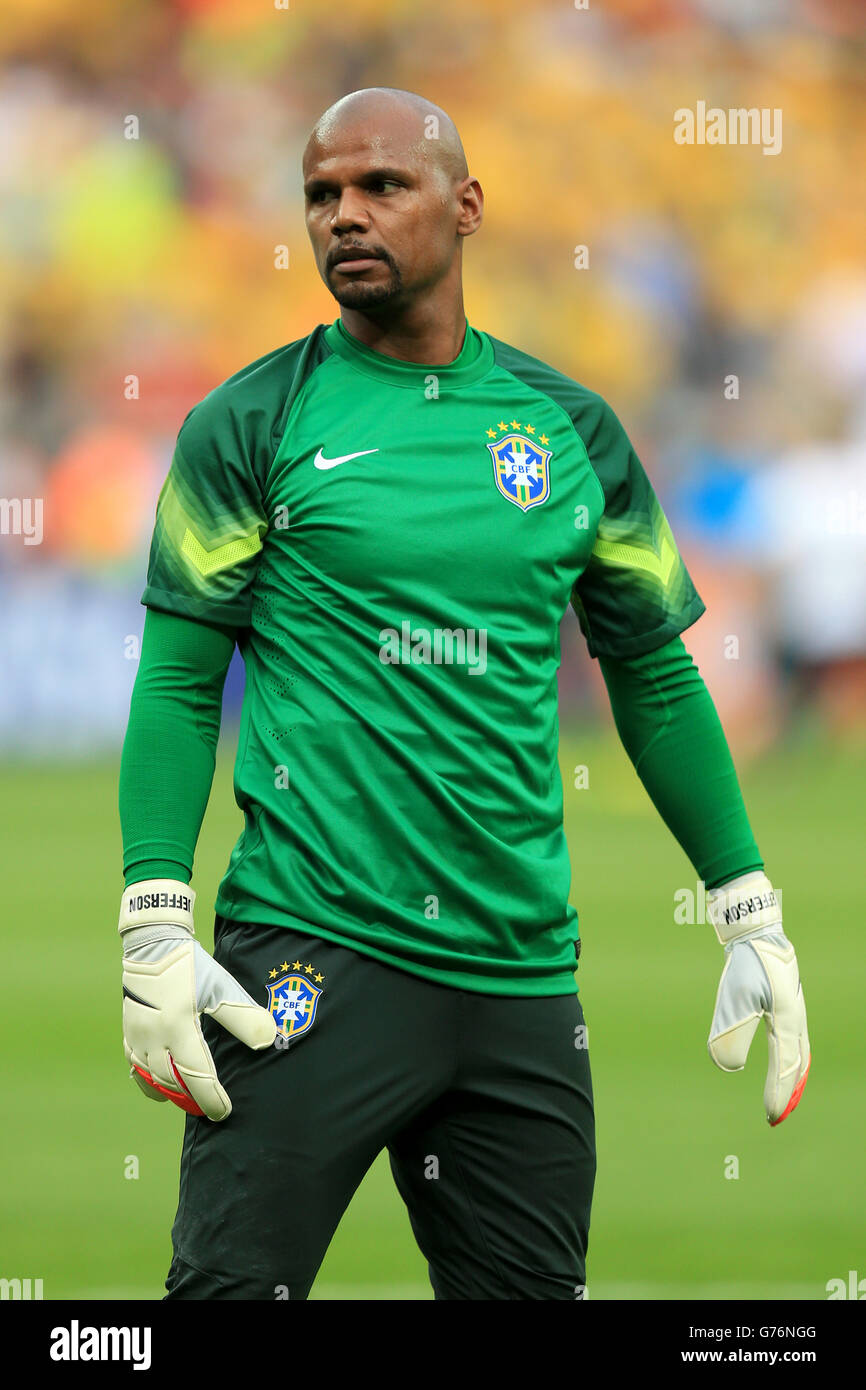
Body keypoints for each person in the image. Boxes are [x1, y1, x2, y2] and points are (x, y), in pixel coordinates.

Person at [117, 87, 810, 1301]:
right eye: (321, 194)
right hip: (309, 953)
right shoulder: (249, 422)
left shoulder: (571, 432)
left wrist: (745, 905)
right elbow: (179, 680)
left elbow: (651, 672)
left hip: (519, 978)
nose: (344, 215)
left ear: (466, 204)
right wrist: (154, 917)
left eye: (380, 185)